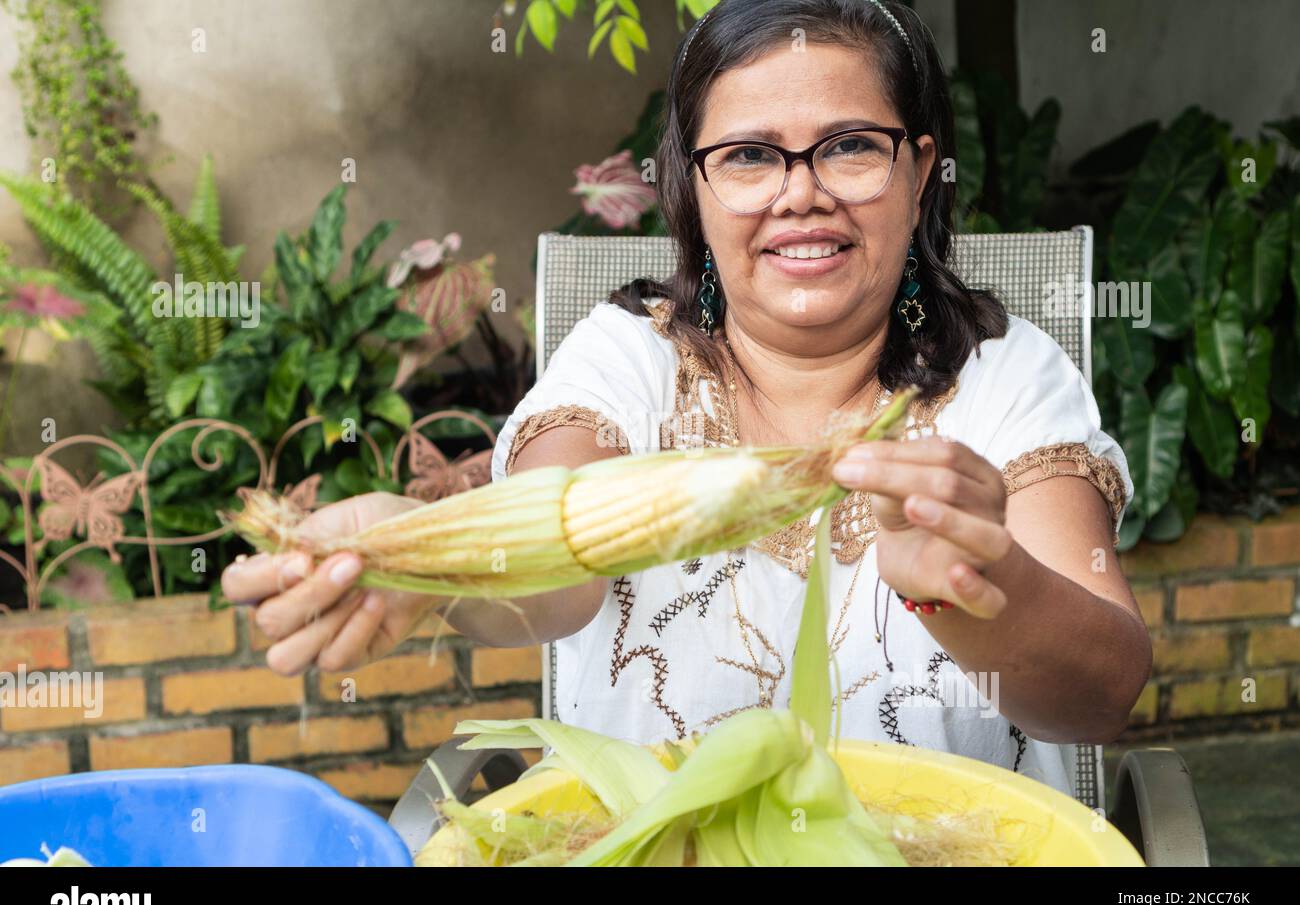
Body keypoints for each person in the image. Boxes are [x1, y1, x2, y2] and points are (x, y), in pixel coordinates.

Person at [222, 0, 1150, 795]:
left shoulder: (1006, 379)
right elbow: (554, 570)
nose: (802, 194)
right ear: (692, 188)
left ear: (917, 172)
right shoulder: (627, 359)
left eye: (852, 147)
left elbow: (1101, 696)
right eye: (749, 156)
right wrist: (423, 565)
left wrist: (976, 591)